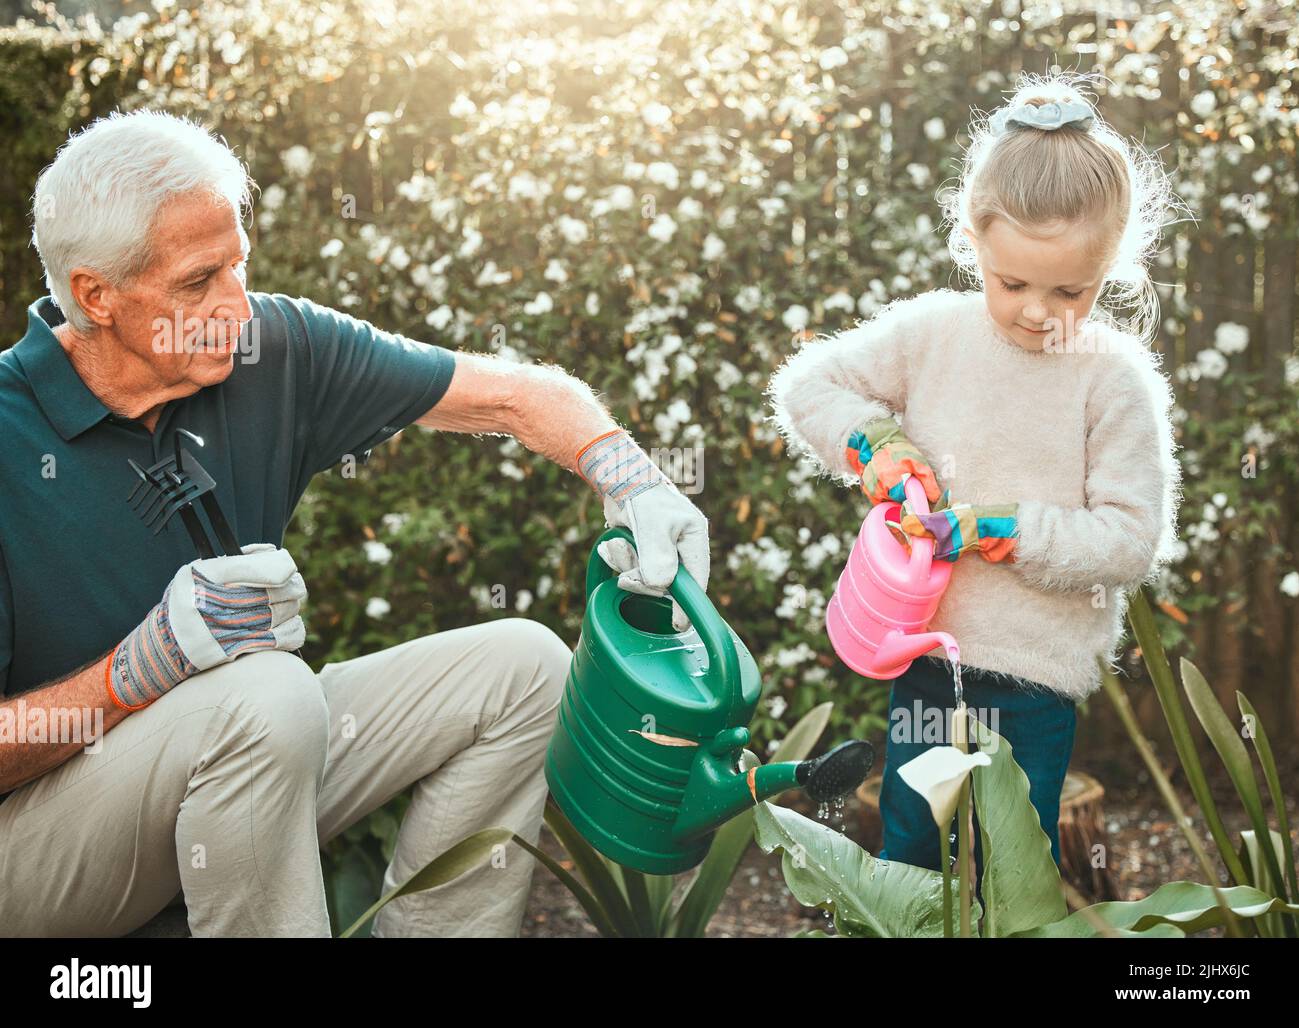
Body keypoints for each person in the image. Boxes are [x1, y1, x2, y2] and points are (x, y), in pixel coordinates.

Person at [0, 108, 709, 937]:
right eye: (198, 282)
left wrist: (636, 480)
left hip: (247, 757)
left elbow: (518, 396)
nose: (236, 308)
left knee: (522, 670)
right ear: (97, 295)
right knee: (264, 693)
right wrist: (139, 669)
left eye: (239, 266)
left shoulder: (271, 349)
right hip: (37, 856)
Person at [766, 73, 1184, 883]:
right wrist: (874, 442)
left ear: (1116, 260)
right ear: (974, 239)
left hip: (1036, 681)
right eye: (1012, 282)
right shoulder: (932, 334)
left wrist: (1007, 529)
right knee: (911, 854)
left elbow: (1131, 539)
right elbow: (806, 387)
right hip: (926, 655)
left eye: (1071, 289)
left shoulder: (1114, 377)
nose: (1037, 311)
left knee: (1013, 874)